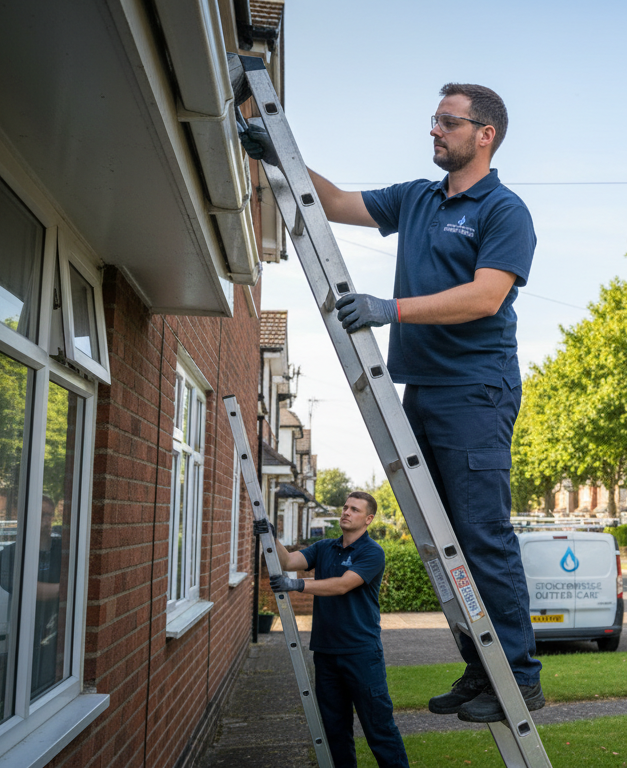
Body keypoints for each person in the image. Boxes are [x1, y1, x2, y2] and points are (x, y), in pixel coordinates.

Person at [240, 82, 542, 723]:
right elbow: (342, 201)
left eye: (449, 122)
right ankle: (479, 665)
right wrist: (277, 154)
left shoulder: (503, 210)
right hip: (424, 391)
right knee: (441, 542)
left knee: (481, 535)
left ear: (484, 134)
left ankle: (519, 676)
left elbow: (486, 296)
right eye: (435, 119)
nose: (435, 130)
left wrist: (390, 309)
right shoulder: (419, 197)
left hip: (476, 392)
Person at [264, 491, 409, 768]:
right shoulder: (324, 548)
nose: (346, 512)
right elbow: (288, 562)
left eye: (354, 509)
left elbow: (343, 585)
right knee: (334, 732)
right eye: (345, 507)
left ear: (368, 519)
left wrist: (297, 585)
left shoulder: (372, 552)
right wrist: (270, 537)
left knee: (379, 728)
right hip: (326, 653)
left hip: (361, 654)